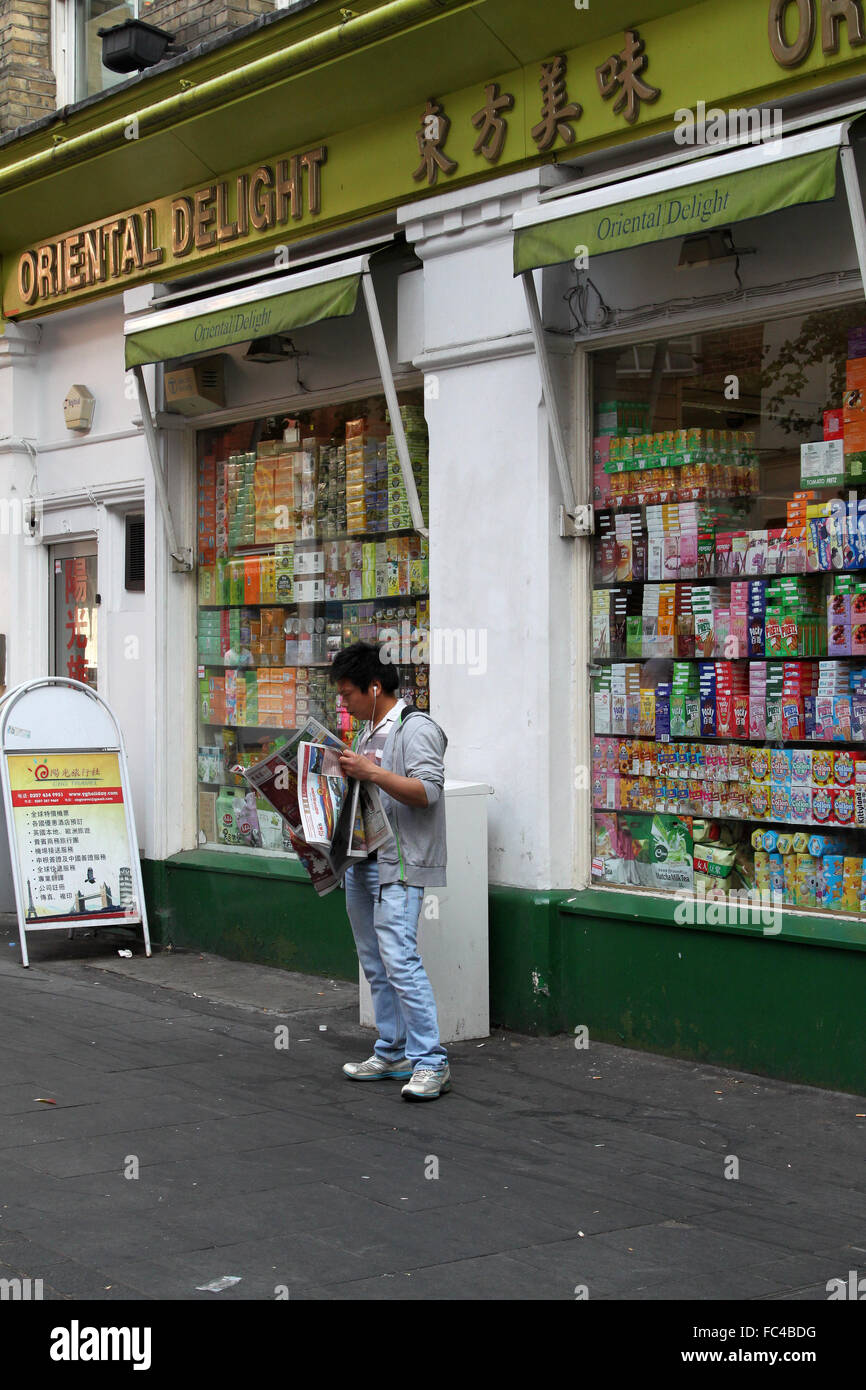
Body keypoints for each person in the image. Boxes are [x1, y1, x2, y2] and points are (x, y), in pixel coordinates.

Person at [329, 641, 449, 1101]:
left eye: (348, 695)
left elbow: (428, 792)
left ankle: (431, 1060)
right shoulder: (366, 733)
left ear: (373, 688)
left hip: (397, 864)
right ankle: (392, 1049)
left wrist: (371, 772)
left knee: (400, 960)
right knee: (375, 963)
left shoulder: (415, 729)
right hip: (363, 862)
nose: (344, 703)